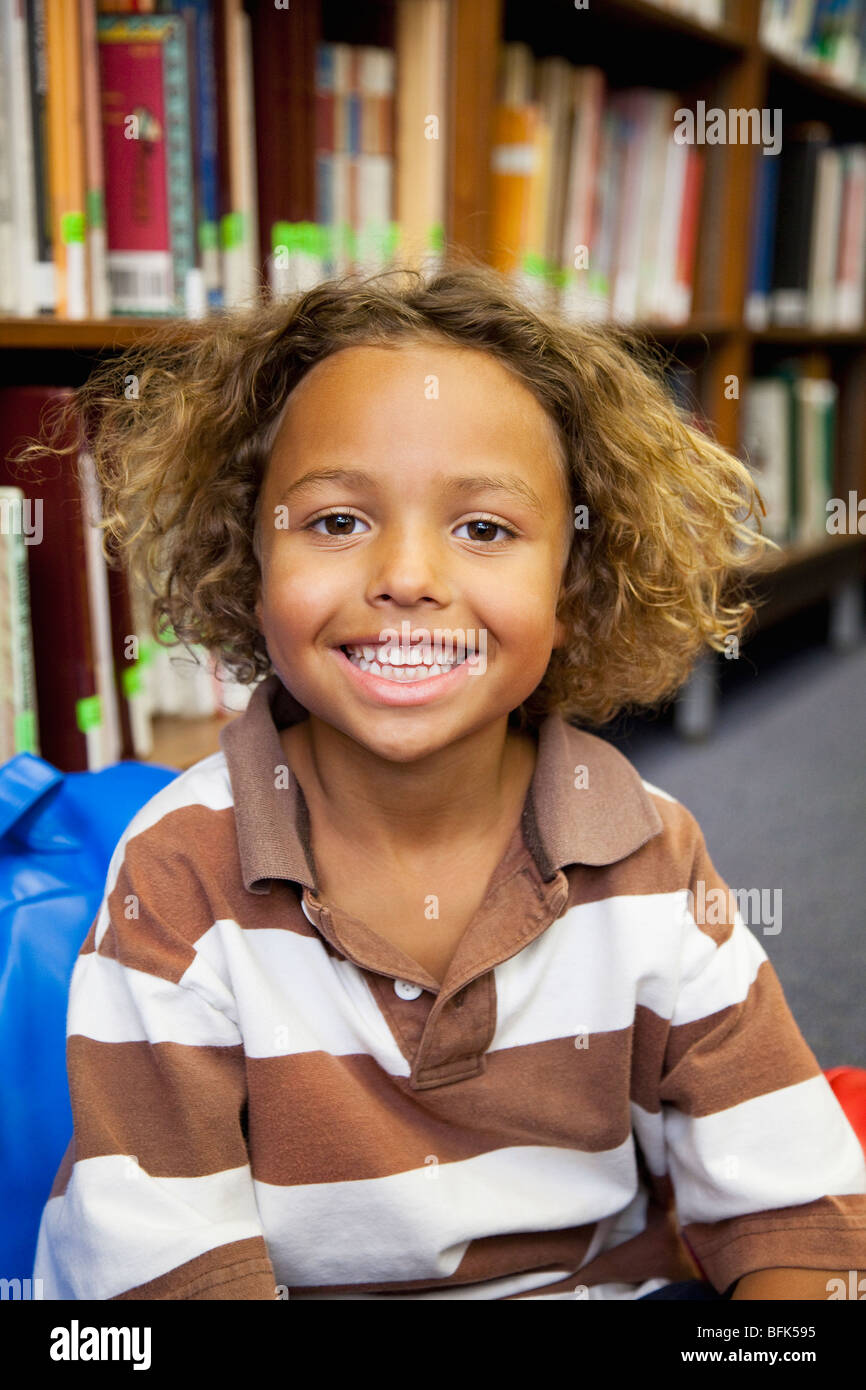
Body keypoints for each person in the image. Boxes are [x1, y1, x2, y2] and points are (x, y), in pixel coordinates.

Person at [24, 260, 866, 1300]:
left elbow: (794, 1218)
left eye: (483, 528)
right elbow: (168, 1281)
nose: (409, 575)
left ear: (574, 577)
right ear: (248, 557)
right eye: (336, 520)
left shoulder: (650, 850)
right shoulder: (176, 874)